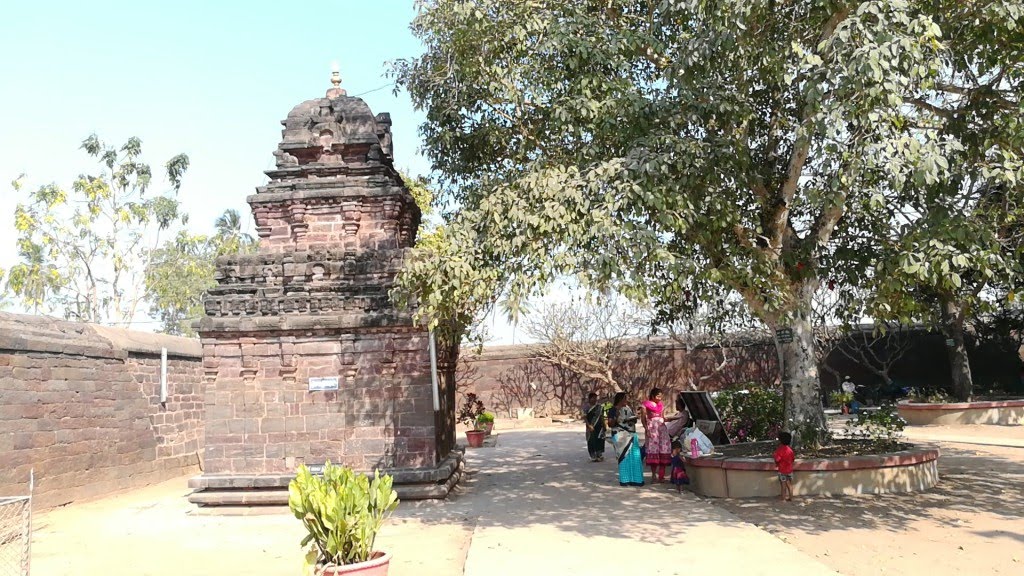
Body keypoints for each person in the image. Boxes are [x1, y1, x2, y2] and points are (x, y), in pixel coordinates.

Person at [607, 391, 644, 487]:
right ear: (620, 399)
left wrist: (634, 418)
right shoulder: (613, 410)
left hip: (631, 435)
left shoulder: (628, 409)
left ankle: (636, 479)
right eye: (624, 399)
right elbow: (610, 424)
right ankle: (625, 479)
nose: (626, 400)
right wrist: (617, 415)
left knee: (635, 457)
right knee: (624, 457)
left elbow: (634, 420)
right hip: (621, 437)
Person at [641, 387, 672, 483]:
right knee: (653, 451)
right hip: (652, 430)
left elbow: (662, 417)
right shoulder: (645, 405)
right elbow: (643, 418)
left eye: (661, 396)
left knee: (664, 450)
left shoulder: (661, 405)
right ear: (653, 396)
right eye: (658, 396)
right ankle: (654, 476)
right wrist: (646, 429)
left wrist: (671, 419)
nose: (659, 398)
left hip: (662, 430)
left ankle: (661, 476)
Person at [584, 392, 606, 462]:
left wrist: (604, 425)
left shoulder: (599, 407)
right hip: (591, 427)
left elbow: (601, 416)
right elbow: (584, 417)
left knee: (600, 440)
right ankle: (593, 455)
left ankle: (599, 454)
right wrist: (589, 425)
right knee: (591, 440)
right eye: (593, 398)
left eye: (596, 398)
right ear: (590, 399)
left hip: (599, 427)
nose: (595, 399)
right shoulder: (586, 407)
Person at [774, 431, 795, 501]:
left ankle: (783, 499)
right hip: (790, 470)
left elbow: (777, 459)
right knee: (789, 485)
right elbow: (793, 459)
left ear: (780, 440)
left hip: (782, 470)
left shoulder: (779, 450)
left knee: (783, 485)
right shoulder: (790, 450)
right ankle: (791, 498)